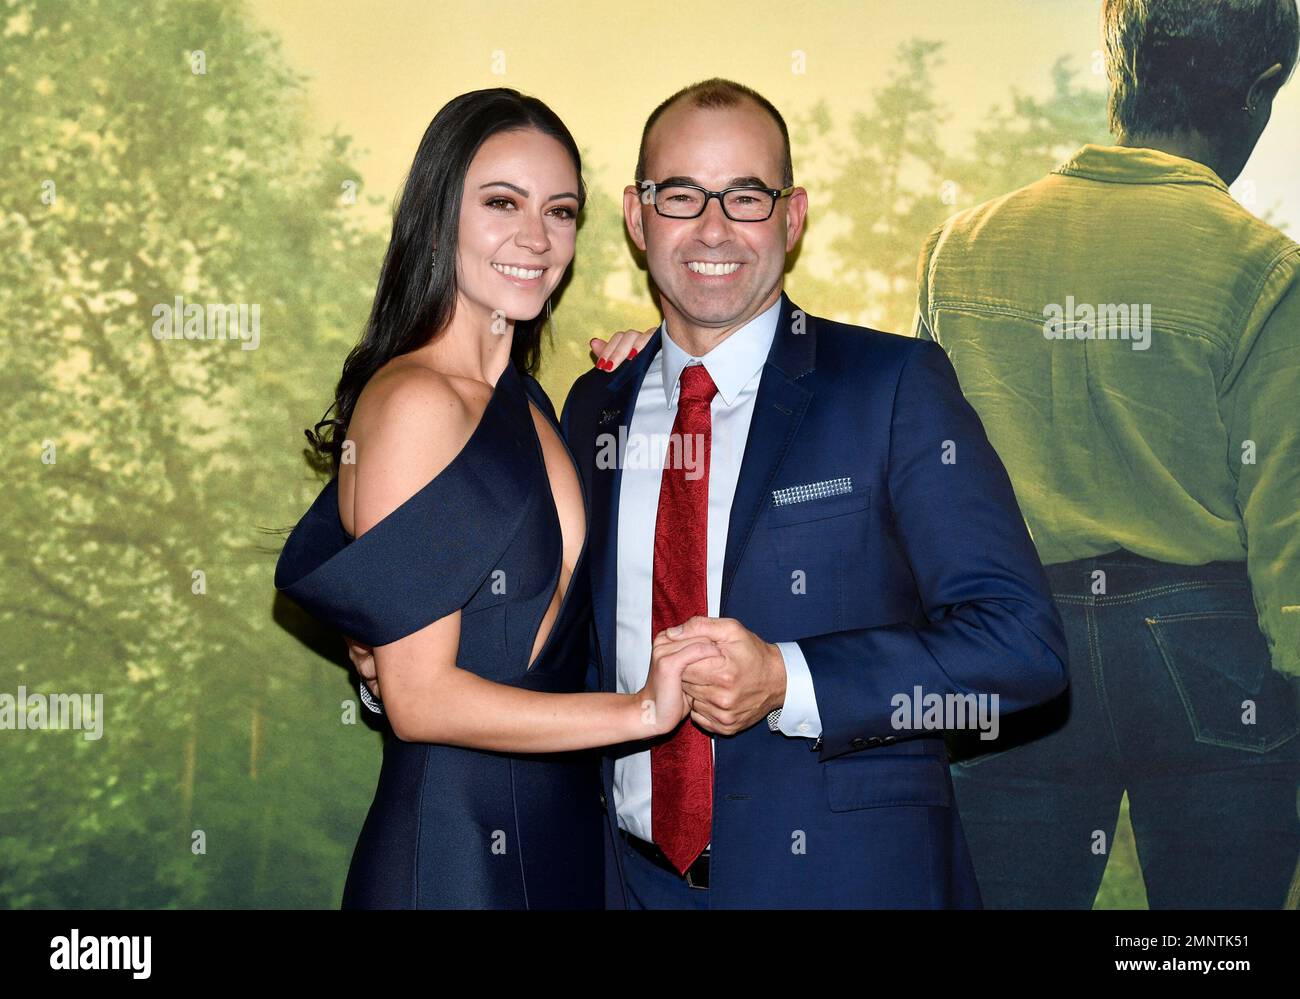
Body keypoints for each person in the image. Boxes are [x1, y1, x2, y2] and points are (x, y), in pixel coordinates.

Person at [555, 78, 1067, 908]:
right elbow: (571, 643)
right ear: (636, 214)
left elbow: (1022, 647)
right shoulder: (596, 405)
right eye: (682, 194)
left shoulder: (893, 387)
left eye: (746, 196)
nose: (713, 227)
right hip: (626, 884)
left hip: (848, 883)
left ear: (791, 218)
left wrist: (787, 679)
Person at [914, 0, 1300, 907]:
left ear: (1115, 72)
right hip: (1211, 650)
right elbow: (1289, 520)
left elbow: (928, 489)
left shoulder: (959, 251)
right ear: (1256, 94)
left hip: (1011, 647)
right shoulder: (1264, 268)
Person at [274, 87, 682, 910]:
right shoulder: (418, 401)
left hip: (560, 842)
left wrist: (654, 367)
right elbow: (420, 699)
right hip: (454, 856)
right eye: (503, 203)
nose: (536, 238)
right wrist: (641, 711)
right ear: (438, 214)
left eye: (560, 211)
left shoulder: (528, 401)